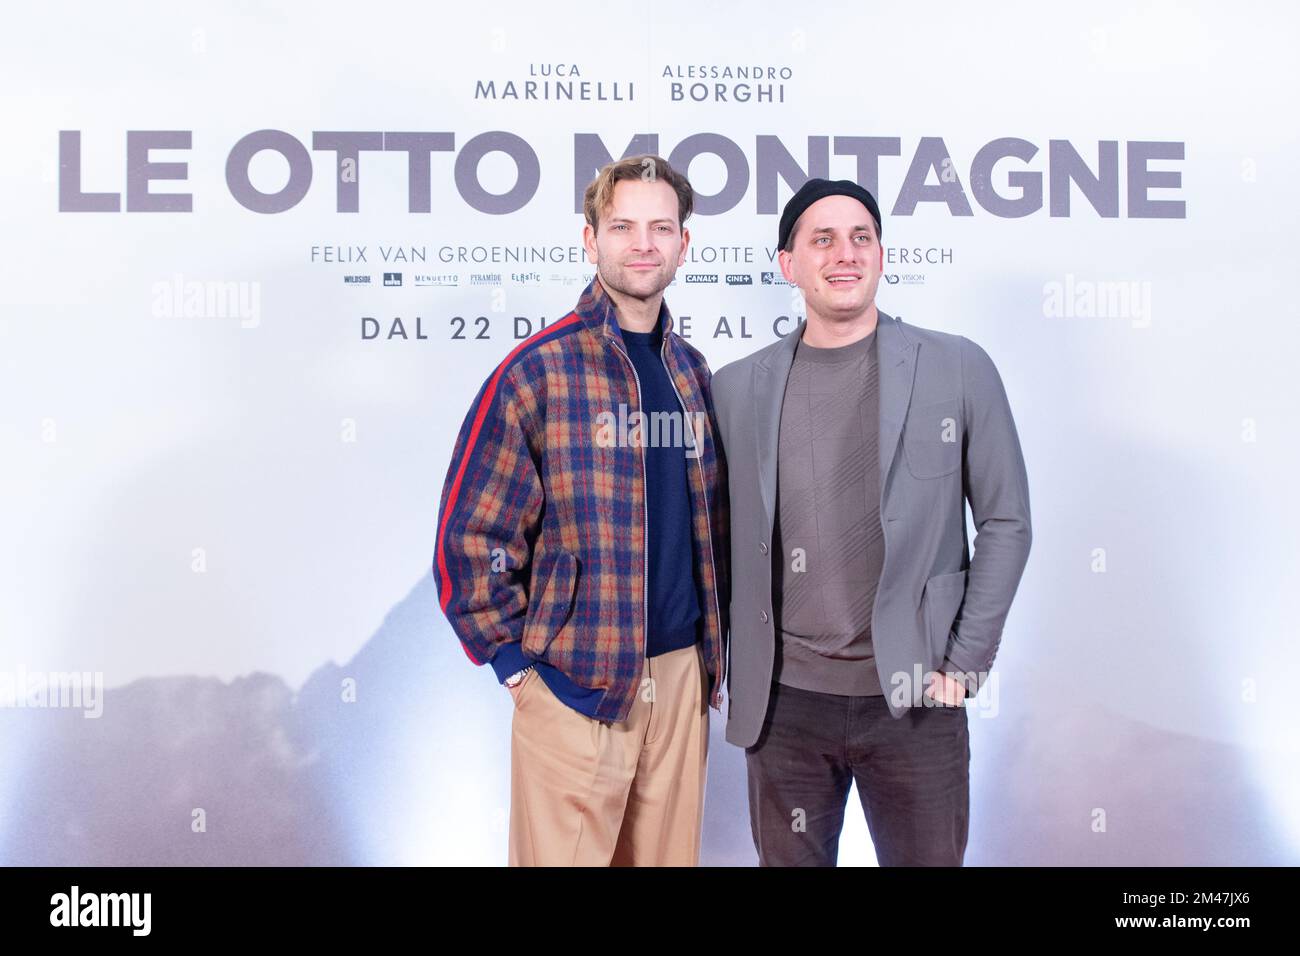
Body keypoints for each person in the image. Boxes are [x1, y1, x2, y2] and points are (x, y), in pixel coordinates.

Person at [711, 178, 1031, 866]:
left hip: (915, 703)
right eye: (821, 239)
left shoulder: (960, 368)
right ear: (787, 263)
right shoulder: (736, 388)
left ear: (882, 255)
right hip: (783, 709)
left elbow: (1007, 521)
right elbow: (716, 539)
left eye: (861, 238)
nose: (844, 254)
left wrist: (964, 664)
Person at [433, 155, 729, 866]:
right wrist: (519, 669)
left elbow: (712, 530)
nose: (643, 243)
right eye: (622, 225)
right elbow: (469, 539)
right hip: (575, 685)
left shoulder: (692, 372)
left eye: (662, 227)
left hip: (682, 679)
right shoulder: (537, 371)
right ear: (590, 239)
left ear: (684, 245)